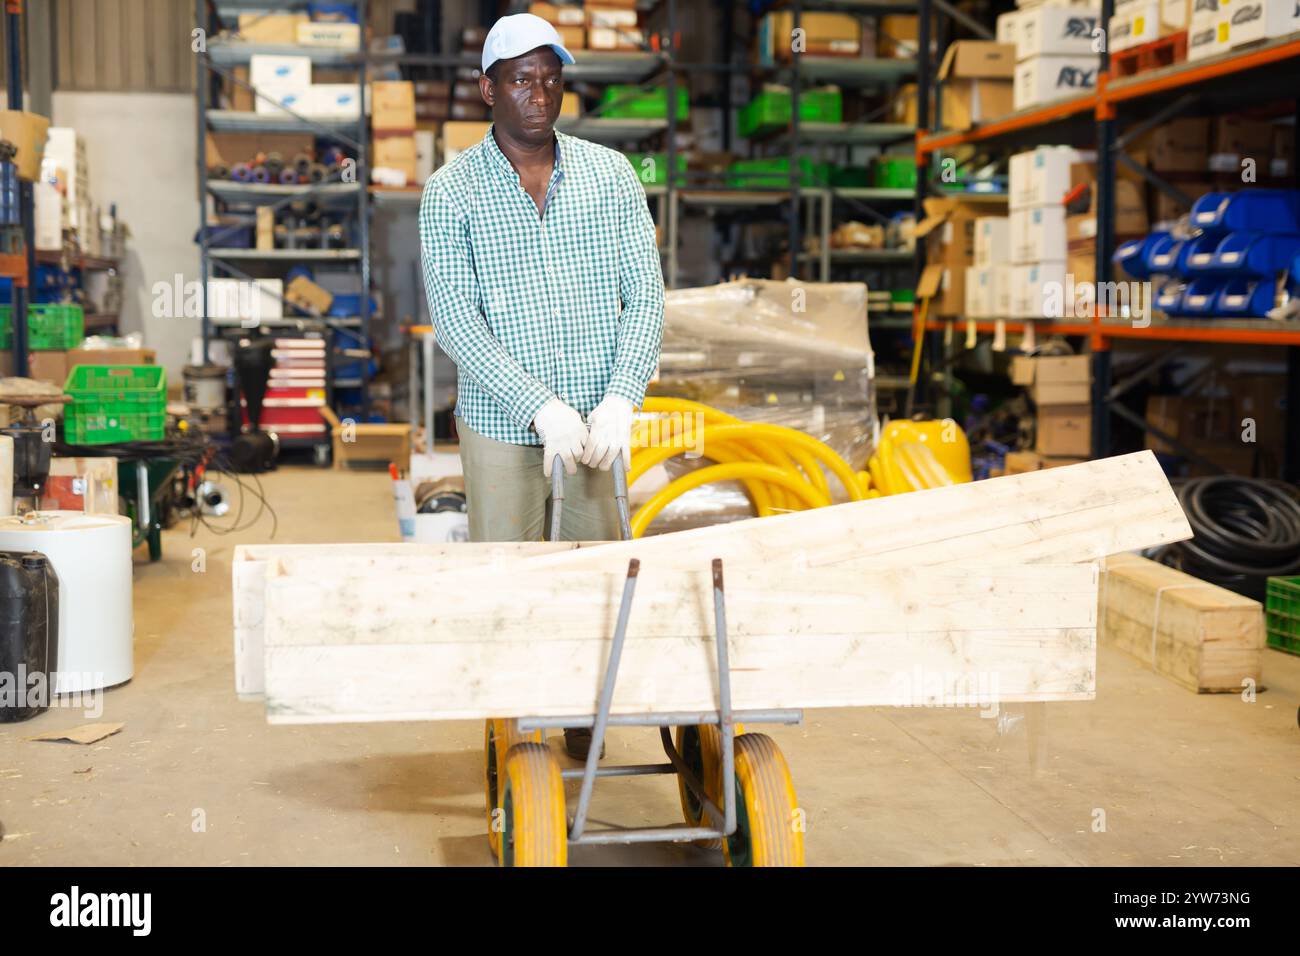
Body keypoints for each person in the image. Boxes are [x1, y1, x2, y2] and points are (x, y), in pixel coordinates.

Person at [418, 13, 665, 759]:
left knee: (593, 586)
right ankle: (516, 750)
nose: (540, 93)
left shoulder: (611, 175)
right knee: (513, 592)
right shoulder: (451, 191)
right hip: (503, 430)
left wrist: (622, 395)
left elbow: (646, 298)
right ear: (486, 87)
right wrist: (538, 407)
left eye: (552, 77)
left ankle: (589, 740)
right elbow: (457, 323)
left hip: (595, 428)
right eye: (522, 79)